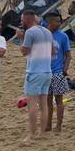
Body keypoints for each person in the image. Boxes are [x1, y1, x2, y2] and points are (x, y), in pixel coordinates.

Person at [20, 9, 53, 141]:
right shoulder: (48, 32)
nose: (21, 22)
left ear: (28, 19)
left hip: (35, 71)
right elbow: (52, 52)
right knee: (44, 104)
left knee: (32, 104)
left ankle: (32, 134)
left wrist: (20, 37)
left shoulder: (30, 32)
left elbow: (24, 51)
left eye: (22, 20)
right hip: (47, 71)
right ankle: (42, 133)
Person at [46, 10, 71, 133]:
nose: (59, 23)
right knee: (47, 101)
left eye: (59, 21)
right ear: (49, 22)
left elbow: (68, 55)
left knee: (59, 100)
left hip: (57, 72)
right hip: (45, 72)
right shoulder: (43, 35)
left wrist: (64, 70)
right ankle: (48, 125)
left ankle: (59, 126)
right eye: (57, 21)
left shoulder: (63, 36)